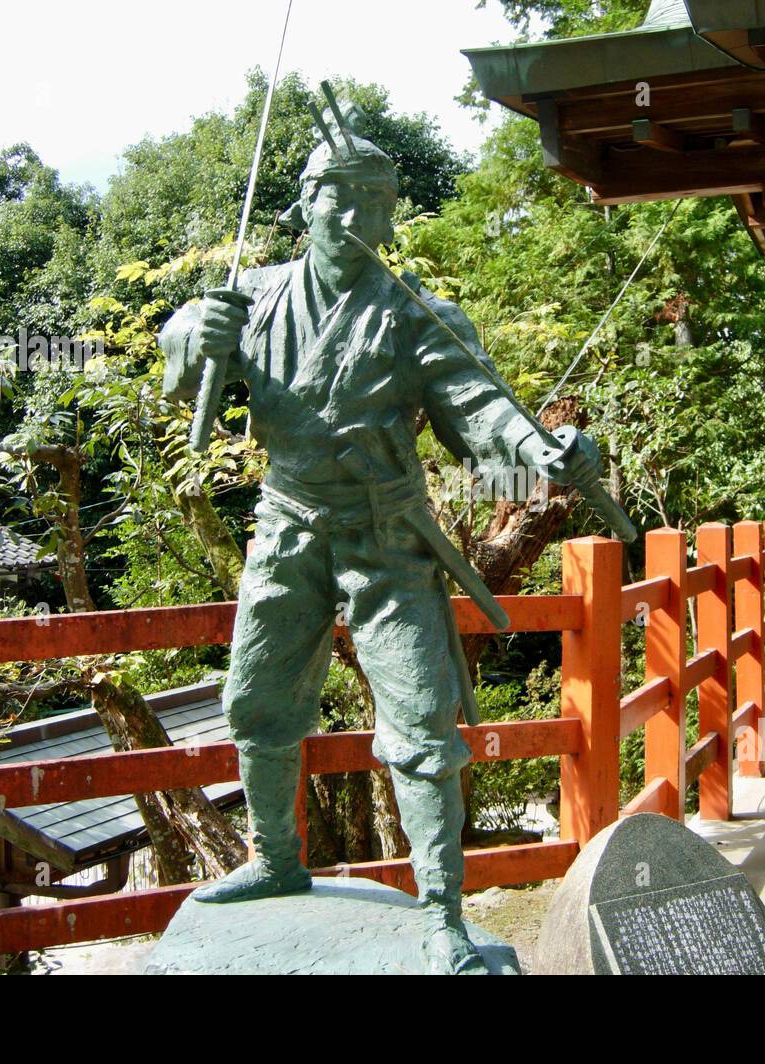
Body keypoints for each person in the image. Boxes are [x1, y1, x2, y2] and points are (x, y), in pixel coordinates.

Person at [159, 109, 603, 974]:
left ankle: (441, 909)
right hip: (288, 524)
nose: (362, 220)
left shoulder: (417, 317)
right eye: (343, 201)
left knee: (423, 720)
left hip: (385, 535)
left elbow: (479, 415)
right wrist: (191, 338)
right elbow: (184, 360)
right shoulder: (252, 296)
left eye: (378, 203)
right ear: (305, 204)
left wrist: (541, 451)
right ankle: (274, 858)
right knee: (257, 698)